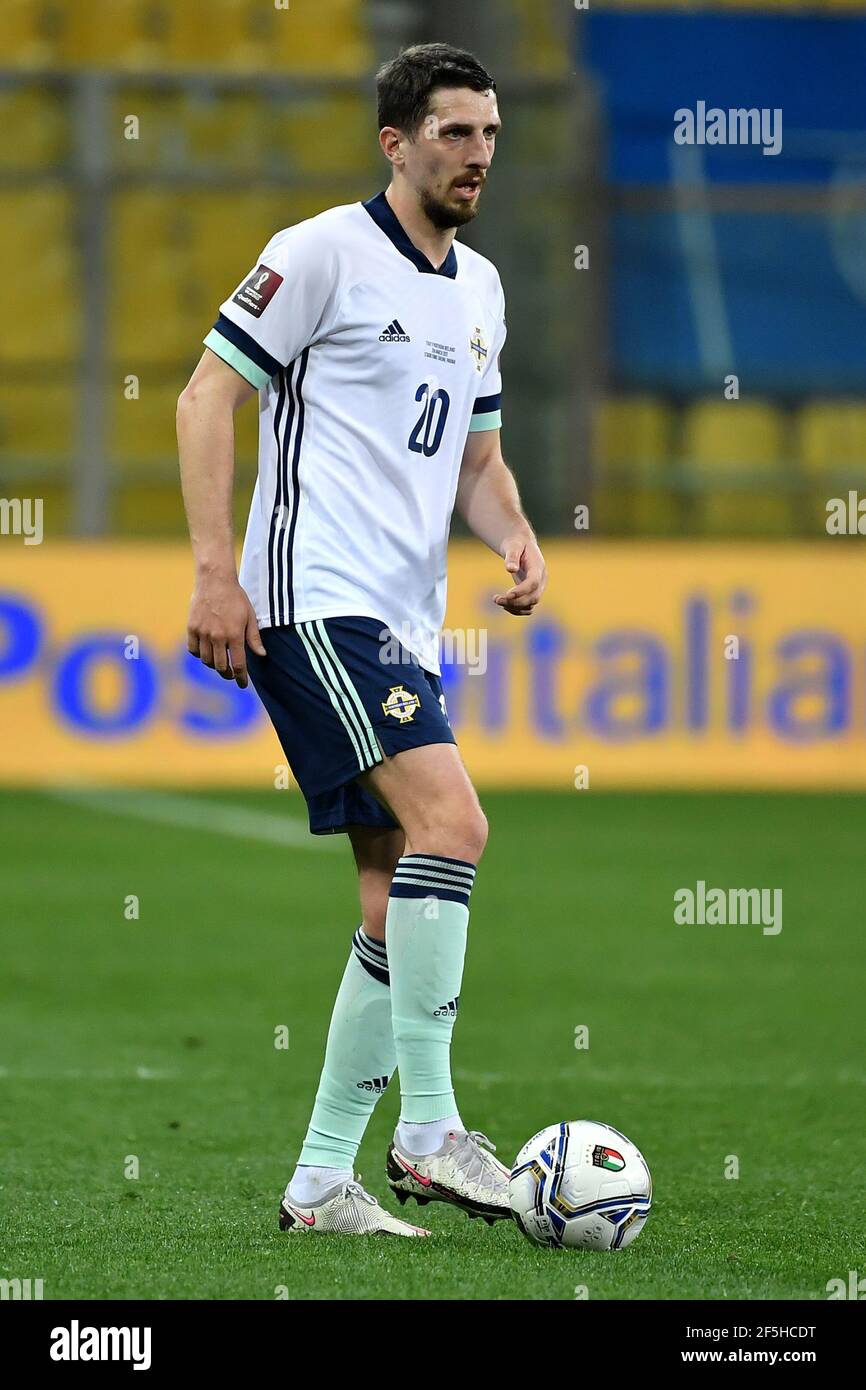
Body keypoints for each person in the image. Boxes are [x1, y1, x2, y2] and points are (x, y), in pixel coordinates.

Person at [177, 42, 547, 1237]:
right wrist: (214, 574)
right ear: (394, 143)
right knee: (457, 823)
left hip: (401, 614)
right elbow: (203, 396)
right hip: (314, 599)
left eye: (487, 133)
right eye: (452, 133)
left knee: (394, 886)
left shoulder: (480, 288)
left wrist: (515, 532)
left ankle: (320, 1179)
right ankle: (431, 1134)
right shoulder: (319, 252)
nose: (475, 153)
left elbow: (474, 462)